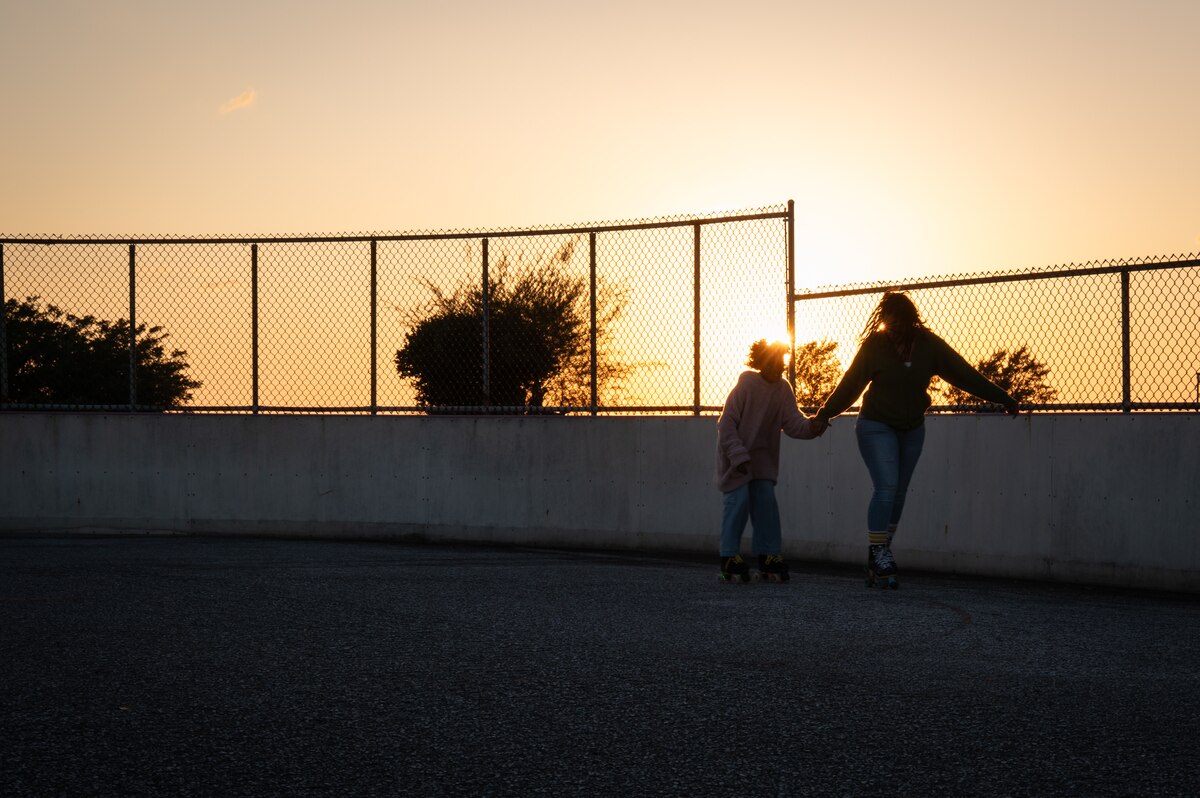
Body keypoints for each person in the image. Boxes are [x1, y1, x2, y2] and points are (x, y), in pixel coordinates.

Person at [814, 291, 1019, 588]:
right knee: (886, 486)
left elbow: (964, 374)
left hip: (912, 428)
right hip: (875, 424)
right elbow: (851, 384)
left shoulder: (928, 346)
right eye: (889, 326)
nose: (894, 332)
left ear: (911, 323)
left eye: (900, 326)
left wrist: (1003, 398)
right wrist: (824, 414)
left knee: (899, 491)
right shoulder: (875, 346)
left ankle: (883, 551)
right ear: (883, 323)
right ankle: (877, 551)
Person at [715, 340, 827, 583]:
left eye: (782, 363)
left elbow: (793, 423)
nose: (778, 368)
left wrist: (813, 426)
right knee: (738, 500)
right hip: (737, 459)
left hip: (762, 461)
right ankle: (729, 555)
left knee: (766, 501)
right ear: (761, 362)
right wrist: (738, 456)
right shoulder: (745, 387)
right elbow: (726, 425)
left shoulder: (783, 389)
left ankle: (768, 554)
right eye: (773, 362)